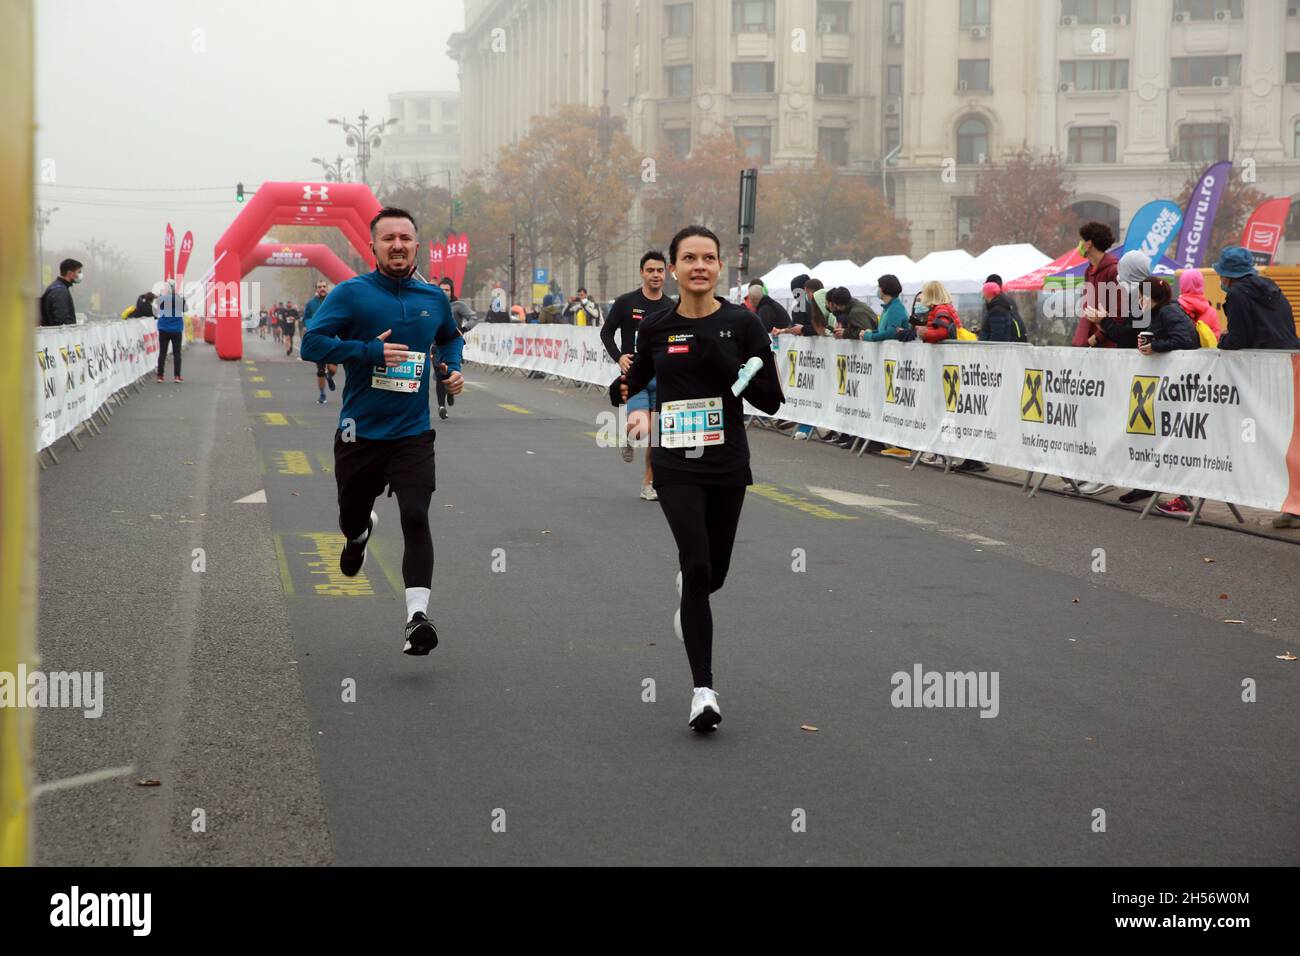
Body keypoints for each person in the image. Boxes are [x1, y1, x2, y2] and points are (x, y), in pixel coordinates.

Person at [609, 225, 783, 731]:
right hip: (674, 462)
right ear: (675, 266)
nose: (699, 266)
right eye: (689, 258)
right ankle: (702, 691)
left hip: (727, 461)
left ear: (720, 266)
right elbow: (632, 382)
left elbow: (771, 400)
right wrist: (628, 405)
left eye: (708, 257)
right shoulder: (657, 326)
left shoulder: (743, 324)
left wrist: (733, 365)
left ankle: (693, 589)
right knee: (698, 560)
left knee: (713, 575)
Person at [300, 206, 465, 657]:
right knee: (351, 516)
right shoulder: (352, 294)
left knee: (415, 515)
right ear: (371, 246)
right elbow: (311, 344)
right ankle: (358, 535)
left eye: (405, 238)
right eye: (387, 238)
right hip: (359, 433)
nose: (397, 245)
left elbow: (450, 337)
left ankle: (416, 618)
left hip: (412, 433)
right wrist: (368, 351)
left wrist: (452, 368)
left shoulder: (433, 298)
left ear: (416, 245)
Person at [1211, 246, 1300, 528]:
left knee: (1275, 439)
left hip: (1265, 371)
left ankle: (1291, 504)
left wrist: (1221, 341)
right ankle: (1293, 507)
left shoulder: (1237, 295)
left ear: (1227, 275)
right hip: (1289, 363)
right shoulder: (1271, 286)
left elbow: (1238, 338)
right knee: (1290, 437)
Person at [1128, 277, 1200, 518]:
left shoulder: (1169, 312)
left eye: (1141, 295)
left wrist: (1156, 346)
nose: (1139, 300)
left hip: (1179, 386)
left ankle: (1184, 494)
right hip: (1164, 386)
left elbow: (1187, 341)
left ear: (1150, 296)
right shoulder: (1157, 313)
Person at [603, 251, 670, 493]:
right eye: (650, 270)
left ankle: (648, 483)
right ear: (642, 272)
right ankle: (629, 435)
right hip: (636, 376)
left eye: (660, 270)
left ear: (666, 273)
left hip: (662, 377)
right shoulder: (626, 302)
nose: (655, 275)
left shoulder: (671, 306)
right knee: (643, 429)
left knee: (658, 436)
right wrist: (619, 356)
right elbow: (606, 332)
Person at [864, 274, 913, 458]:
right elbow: (883, 331)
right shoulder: (888, 308)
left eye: (878, 286)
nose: (877, 289)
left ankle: (903, 444)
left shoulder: (895, 309)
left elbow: (890, 333)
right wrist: (870, 332)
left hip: (897, 362)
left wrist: (868, 336)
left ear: (883, 289)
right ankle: (895, 440)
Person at [435, 277, 475, 419]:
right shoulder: (432, 304)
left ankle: (450, 390)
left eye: (447, 290)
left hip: (453, 342)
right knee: (439, 373)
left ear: (451, 292)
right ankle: (441, 406)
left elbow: (474, 317)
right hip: (436, 344)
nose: (444, 292)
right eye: (441, 289)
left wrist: (464, 329)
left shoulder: (458, 306)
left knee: (450, 370)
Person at [302, 280, 338, 405]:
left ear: (327, 288)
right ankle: (322, 394)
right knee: (320, 370)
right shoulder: (311, 304)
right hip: (318, 338)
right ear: (316, 289)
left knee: (333, 369)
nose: (322, 288)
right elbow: (305, 317)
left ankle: (330, 376)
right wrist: (309, 325)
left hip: (332, 338)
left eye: (324, 286)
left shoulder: (333, 300)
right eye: (319, 287)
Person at [153, 281, 186, 383]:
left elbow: (156, 309)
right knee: (177, 353)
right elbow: (185, 309)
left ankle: (160, 376)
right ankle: (177, 376)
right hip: (176, 329)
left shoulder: (161, 299)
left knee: (162, 352)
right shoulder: (179, 299)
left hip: (163, 328)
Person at [983, 274, 1027, 342]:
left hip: (1011, 340)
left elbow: (998, 333)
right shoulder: (1006, 300)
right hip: (1018, 336)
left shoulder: (998, 305)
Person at [40, 258, 82, 326]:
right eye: (78, 272)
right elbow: (61, 322)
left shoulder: (57, 287)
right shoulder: (60, 292)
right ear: (70, 273)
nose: (80, 274)